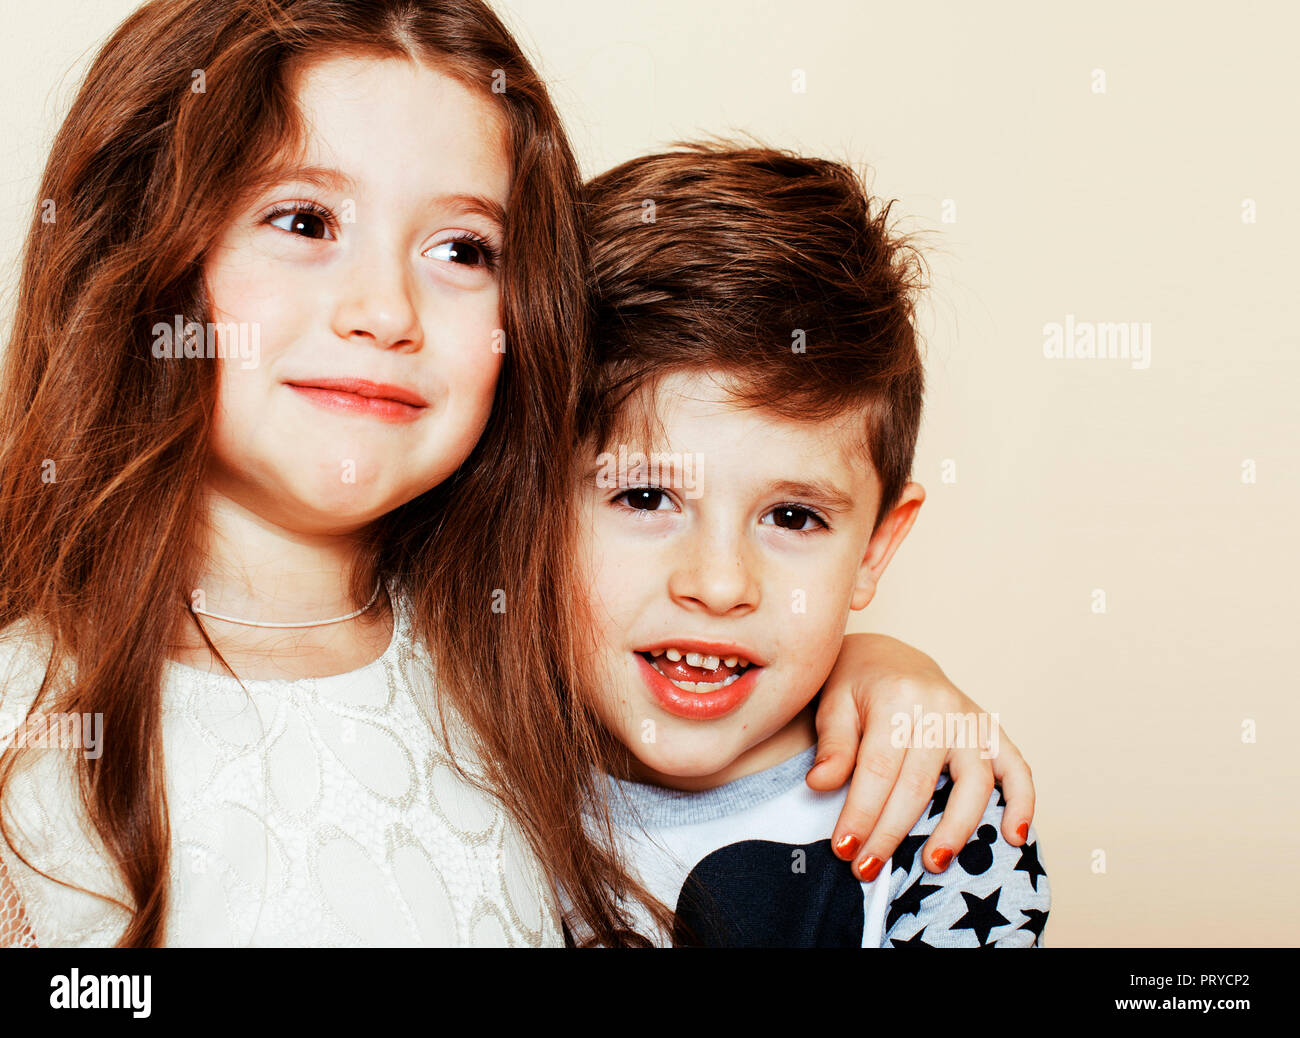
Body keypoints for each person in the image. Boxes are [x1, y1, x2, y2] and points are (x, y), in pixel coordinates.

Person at [0, 0, 1032, 947]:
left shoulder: (490, 665)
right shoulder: (30, 730)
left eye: (461, 248)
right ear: (142, 255)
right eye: (305, 221)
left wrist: (878, 668)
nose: (386, 312)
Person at [570, 143, 1050, 946]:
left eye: (794, 518)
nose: (719, 585)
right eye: (645, 496)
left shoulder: (945, 823)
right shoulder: (448, 759)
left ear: (874, 551)